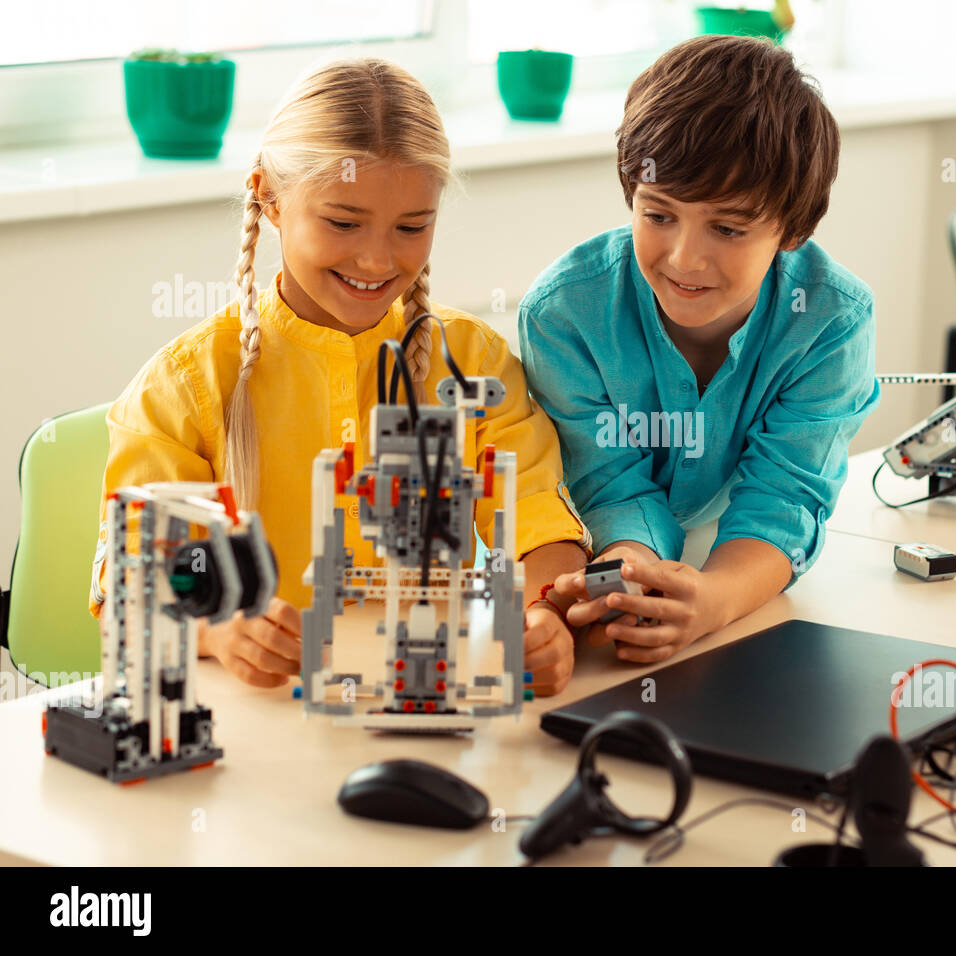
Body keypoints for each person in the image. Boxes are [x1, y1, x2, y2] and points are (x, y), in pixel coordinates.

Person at [90, 58, 590, 695]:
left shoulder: (475, 363)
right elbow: (130, 590)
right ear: (269, 198)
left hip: (426, 713)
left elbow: (539, 520)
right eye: (342, 222)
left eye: (412, 227)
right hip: (257, 736)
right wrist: (216, 633)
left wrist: (543, 613)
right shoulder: (184, 386)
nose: (378, 259)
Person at [519, 36, 881, 665]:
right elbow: (608, 487)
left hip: (732, 559)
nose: (685, 258)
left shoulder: (831, 322)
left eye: (728, 228)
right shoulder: (563, 313)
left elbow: (784, 501)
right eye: (658, 215)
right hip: (590, 540)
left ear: (793, 229)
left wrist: (710, 600)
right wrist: (625, 573)